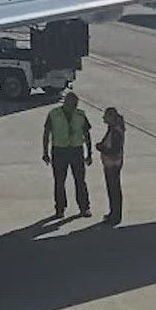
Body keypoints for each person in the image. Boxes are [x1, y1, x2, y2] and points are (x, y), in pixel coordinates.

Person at [41, 91, 93, 219]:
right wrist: (45, 152)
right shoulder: (54, 114)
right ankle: (60, 209)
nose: (74, 106)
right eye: (72, 103)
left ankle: (84, 207)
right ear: (65, 102)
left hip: (76, 150)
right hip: (59, 151)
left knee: (80, 181)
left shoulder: (80, 115)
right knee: (59, 182)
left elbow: (86, 134)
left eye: (76, 104)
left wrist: (89, 153)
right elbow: (46, 133)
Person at [95, 106, 126, 226]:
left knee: (114, 189)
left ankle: (116, 215)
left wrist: (101, 148)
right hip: (110, 163)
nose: (103, 118)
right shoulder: (112, 129)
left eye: (106, 116)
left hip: (113, 164)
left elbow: (115, 150)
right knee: (112, 189)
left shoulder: (115, 131)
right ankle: (113, 212)